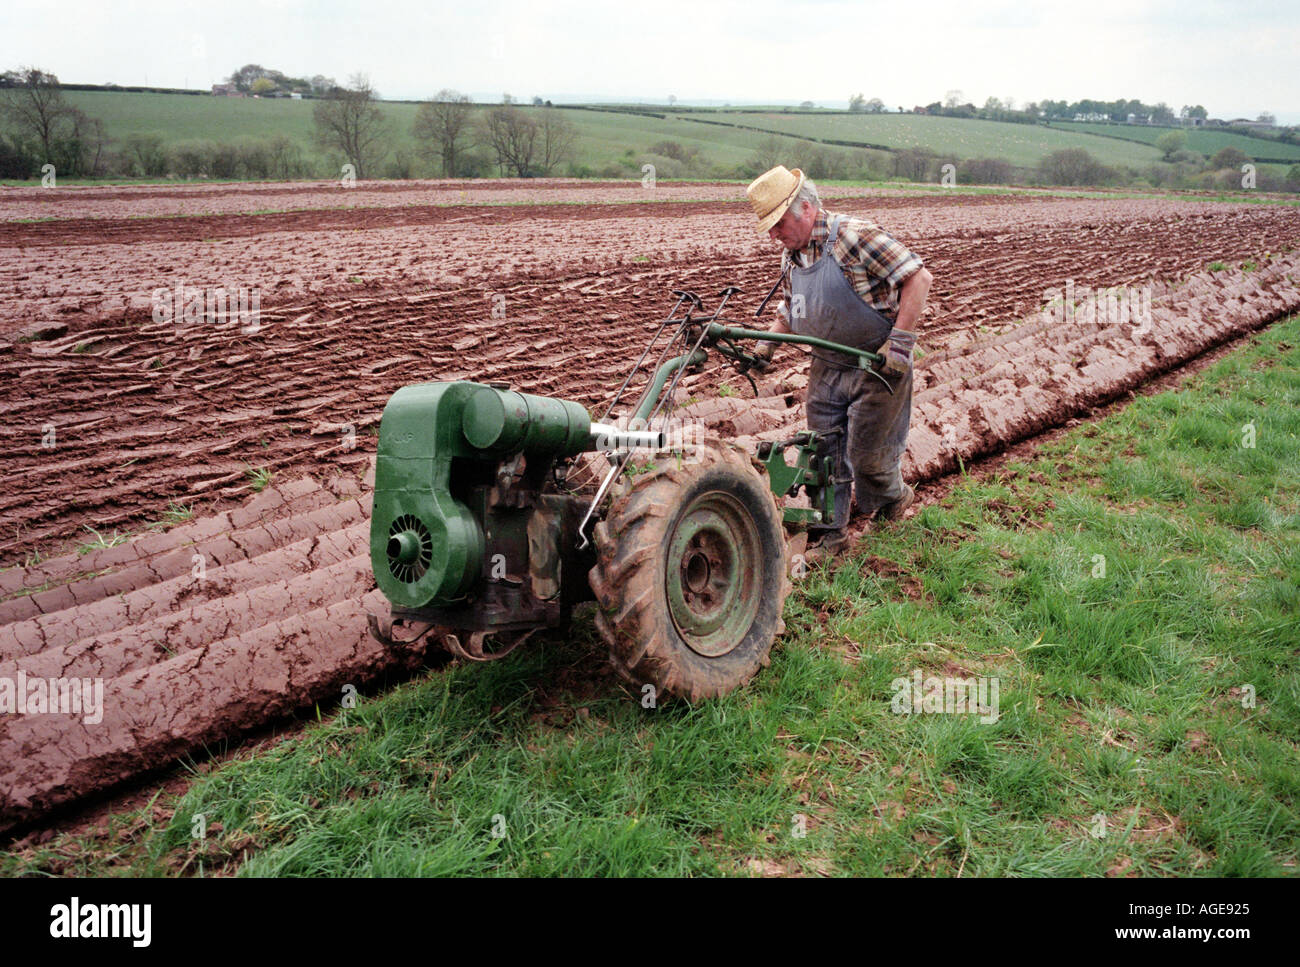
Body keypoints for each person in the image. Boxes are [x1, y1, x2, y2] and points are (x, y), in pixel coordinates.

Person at [745, 165, 933, 563]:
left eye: (778, 224)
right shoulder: (792, 255)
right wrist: (767, 346)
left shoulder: (854, 236)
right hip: (826, 366)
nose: (773, 234)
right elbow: (792, 307)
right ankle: (832, 538)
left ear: (807, 208)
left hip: (876, 366)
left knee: (868, 458)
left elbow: (919, 279)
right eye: (770, 227)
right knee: (825, 453)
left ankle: (894, 499)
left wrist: (899, 344)